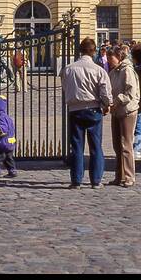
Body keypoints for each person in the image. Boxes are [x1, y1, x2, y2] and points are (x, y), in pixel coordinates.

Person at [61, 37, 113, 188]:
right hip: (93, 109)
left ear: (80, 50)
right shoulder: (99, 70)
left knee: (77, 146)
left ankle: (76, 180)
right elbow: (105, 91)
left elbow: (65, 86)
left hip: (75, 110)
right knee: (96, 146)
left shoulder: (69, 69)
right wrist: (107, 104)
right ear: (94, 51)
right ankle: (96, 180)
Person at [107, 43, 141, 188]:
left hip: (127, 110)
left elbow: (130, 92)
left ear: (119, 57)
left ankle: (129, 176)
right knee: (116, 145)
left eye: (111, 58)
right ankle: (119, 175)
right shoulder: (113, 72)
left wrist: (116, 101)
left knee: (126, 144)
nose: (109, 61)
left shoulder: (127, 70)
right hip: (116, 111)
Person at [0, 96, 17, 178]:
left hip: (3, 142)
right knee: (8, 158)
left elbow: (3, 128)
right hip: (10, 141)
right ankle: (12, 171)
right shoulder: (7, 117)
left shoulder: (1, 117)